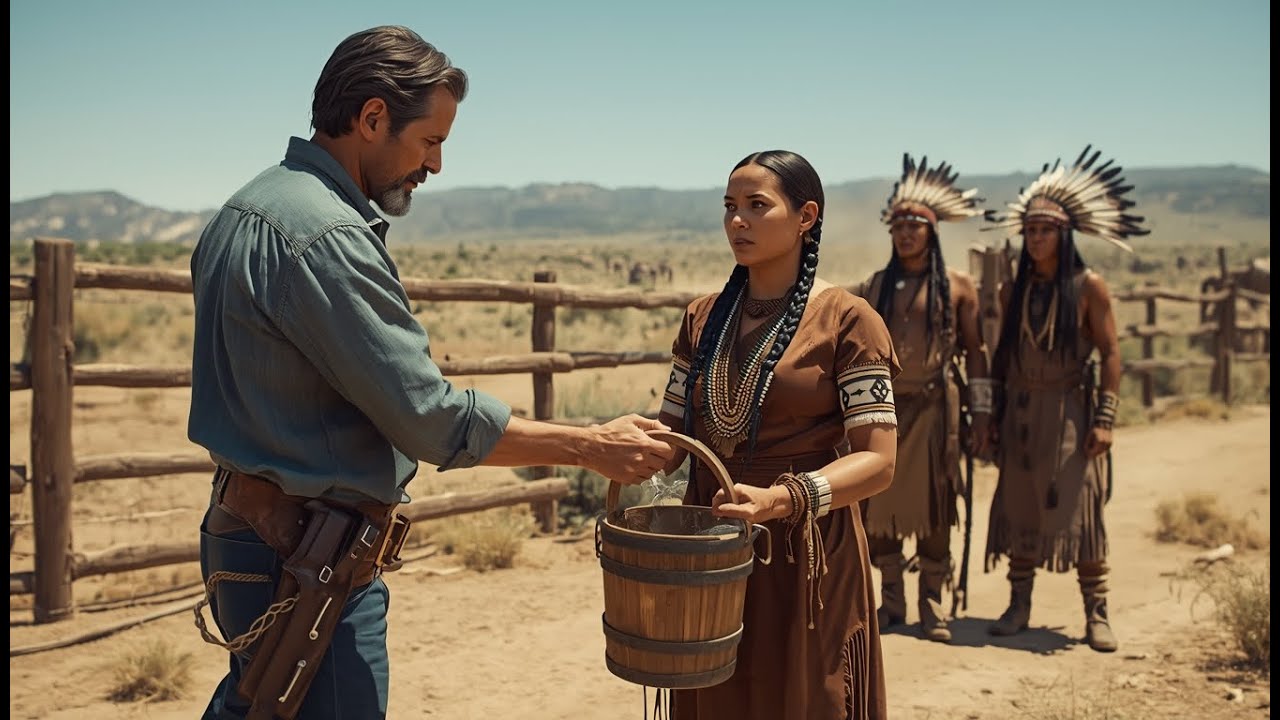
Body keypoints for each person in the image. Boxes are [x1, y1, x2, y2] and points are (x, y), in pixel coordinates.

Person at [187, 26, 674, 720]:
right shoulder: (327, 237)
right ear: (373, 118)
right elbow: (429, 417)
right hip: (306, 554)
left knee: (256, 702)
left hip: (248, 532)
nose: (436, 165)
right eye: (430, 141)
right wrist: (588, 446)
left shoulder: (243, 209)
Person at [657, 150, 899, 719]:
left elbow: (879, 462)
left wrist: (782, 499)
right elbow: (672, 434)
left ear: (806, 216)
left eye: (756, 206)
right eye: (729, 207)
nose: (736, 221)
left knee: (806, 694)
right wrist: (615, 447)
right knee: (715, 691)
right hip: (713, 539)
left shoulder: (849, 320)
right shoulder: (702, 318)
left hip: (805, 552)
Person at [982, 146, 1148, 653]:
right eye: (1029, 231)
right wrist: (990, 417)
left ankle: (1096, 610)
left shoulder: (1088, 286)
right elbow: (1002, 356)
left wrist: (1105, 418)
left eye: (1045, 230)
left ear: (1064, 234)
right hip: (1022, 415)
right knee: (1019, 504)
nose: (1035, 239)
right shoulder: (1013, 291)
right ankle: (1018, 605)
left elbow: (1112, 352)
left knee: (1080, 509)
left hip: (1072, 413)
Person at [855, 155, 993, 643]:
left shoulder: (958, 287)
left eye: (915, 225)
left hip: (939, 410)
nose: (906, 233)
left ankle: (932, 607)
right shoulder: (876, 286)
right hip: (888, 411)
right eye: (898, 225)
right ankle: (891, 603)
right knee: (880, 505)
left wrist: (981, 414)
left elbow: (976, 352)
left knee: (936, 509)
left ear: (932, 231)